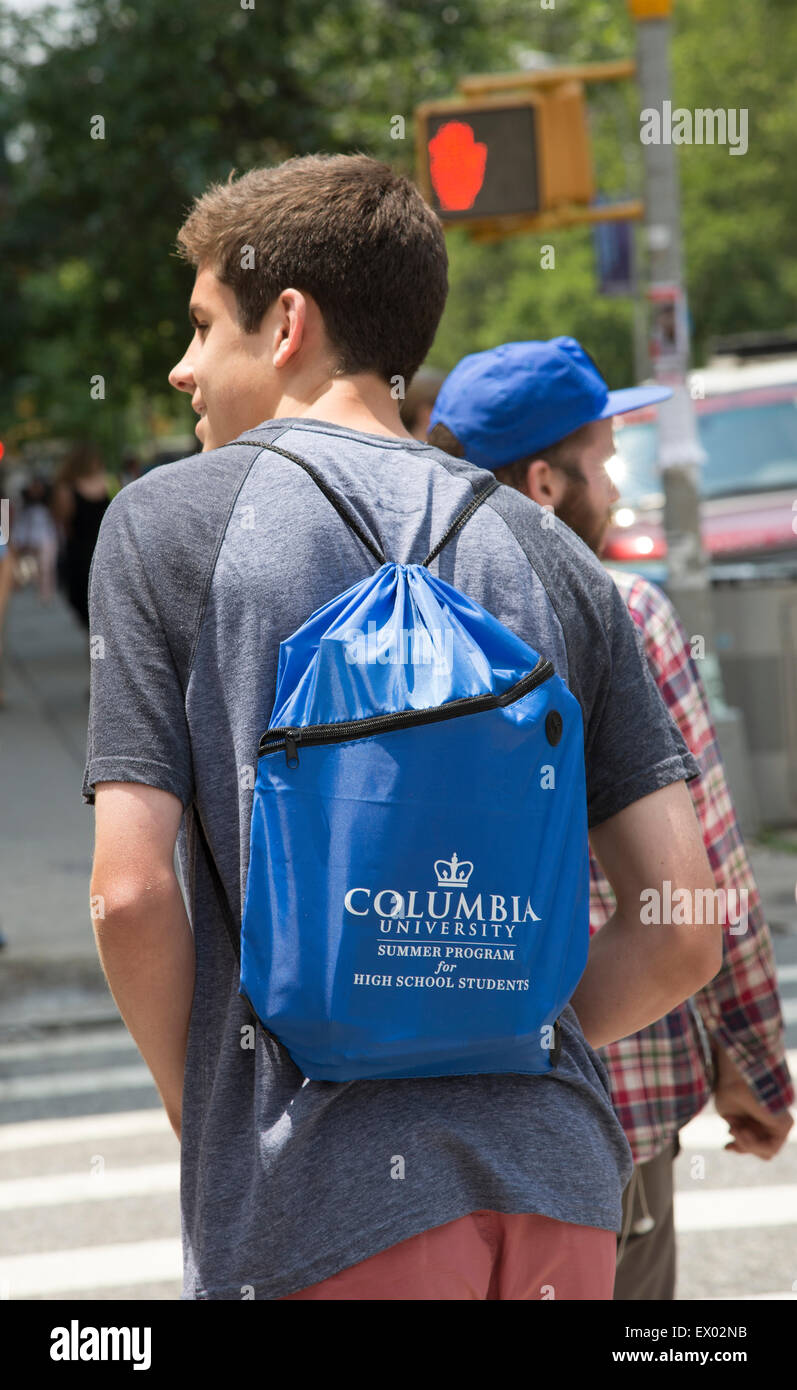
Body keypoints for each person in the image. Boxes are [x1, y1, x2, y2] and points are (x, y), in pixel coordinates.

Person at [82, 155, 721, 1302]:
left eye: (198, 325)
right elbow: (680, 924)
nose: (181, 368)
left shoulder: (164, 525)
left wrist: (213, 1101)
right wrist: (481, 1013)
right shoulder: (558, 558)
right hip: (557, 1188)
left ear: (286, 321)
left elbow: (129, 892)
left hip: (316, 1208)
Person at [428, 336, 795, 1300]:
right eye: (601, 460)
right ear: (544, 483)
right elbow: (704, 877)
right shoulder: (624, 613)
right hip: (610, 1107)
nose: (616, 481)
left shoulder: (401, 624)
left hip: (434, 1127)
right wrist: (752, 1061)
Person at [51, 443, 113, 632]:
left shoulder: (67, 489)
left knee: (82, 599)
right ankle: (97, 639)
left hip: (81, 552)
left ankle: (96, 639)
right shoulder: (109, 483)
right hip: (101, 550)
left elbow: (61, 522)